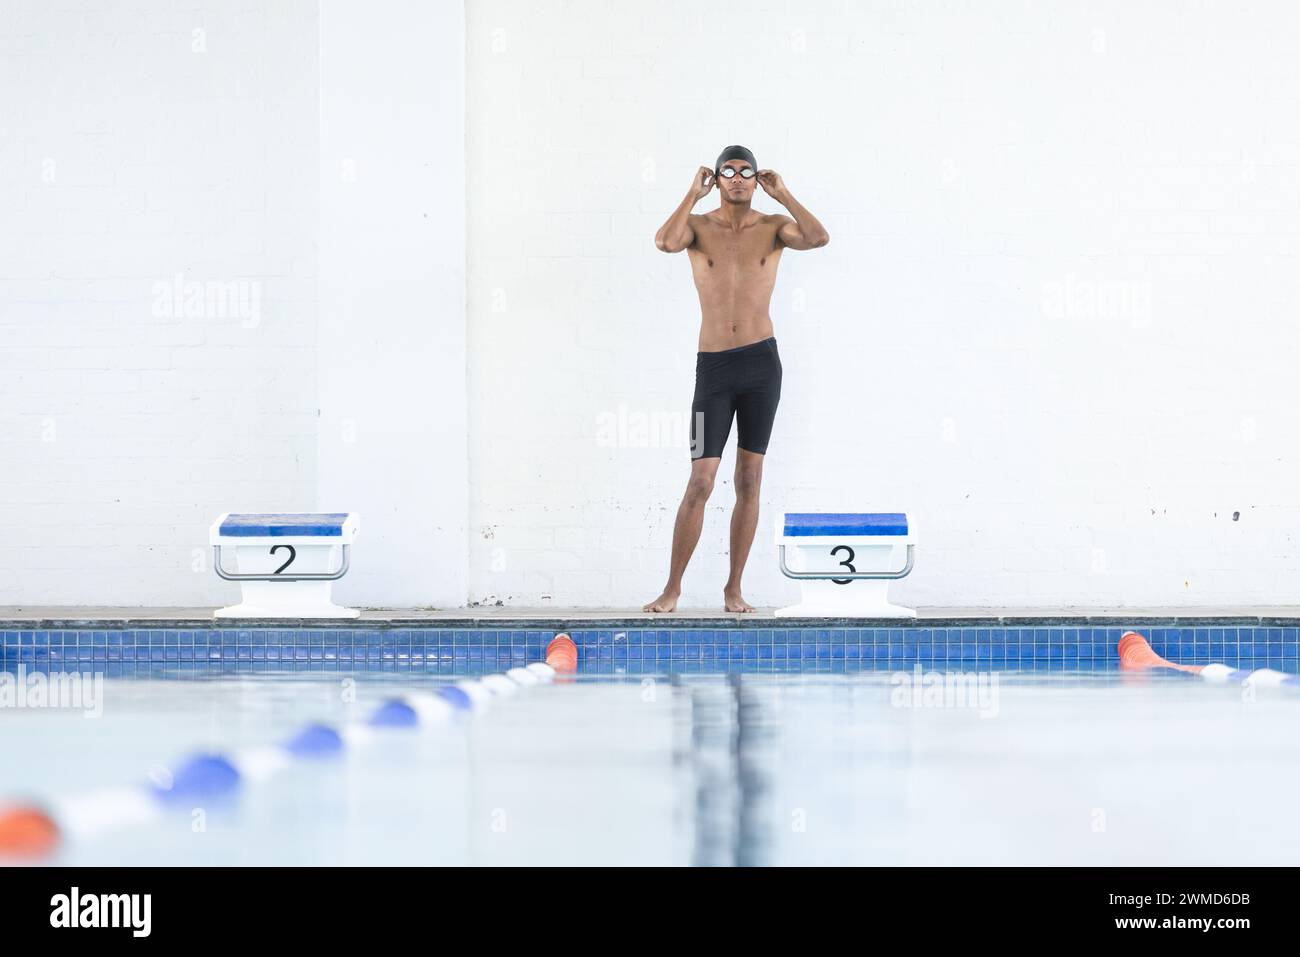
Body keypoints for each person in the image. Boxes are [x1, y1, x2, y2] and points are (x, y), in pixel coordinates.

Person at [643, 145, 829, 613]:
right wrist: (690, 194)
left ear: (756, 179)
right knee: (700, 481)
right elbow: (665, 242)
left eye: (747, 172)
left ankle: (734, 589)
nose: (739, 179)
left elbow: (818, 237)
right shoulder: (699, 227)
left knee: (749, 478)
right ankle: (672, 588)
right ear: (718, 178)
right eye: (730, 172)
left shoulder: (772, 228)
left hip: (761, 365)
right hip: (714, 369)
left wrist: (784, 194)